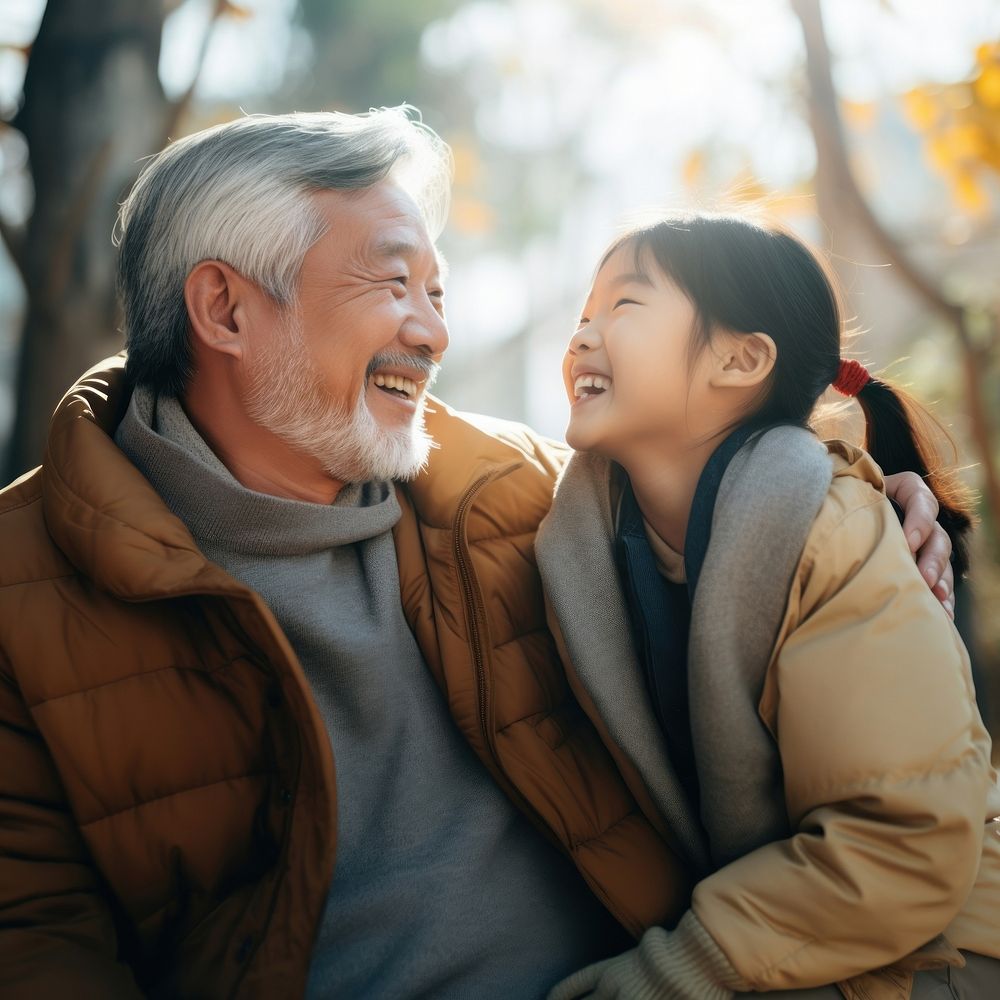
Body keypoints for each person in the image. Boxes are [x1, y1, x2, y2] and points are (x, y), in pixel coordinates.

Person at [0, 110, 955, 999]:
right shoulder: (21, 595)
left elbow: (715, 462)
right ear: (226, 309)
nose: (434, 332)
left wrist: (863, 489)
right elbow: (36, 939)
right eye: (392, 283)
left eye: (439, 291)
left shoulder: (513, 492)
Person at [535, 213, 1000, 999]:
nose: (583, 335)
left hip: (943, 949)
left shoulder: (836, 535)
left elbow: (901, 843)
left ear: (741, 359)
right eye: (583, 314)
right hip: (805, 936)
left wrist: (670, 974)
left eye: (624, 307)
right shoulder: (590, 532)